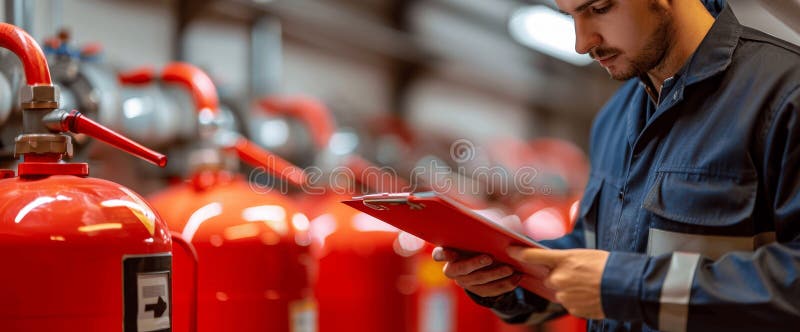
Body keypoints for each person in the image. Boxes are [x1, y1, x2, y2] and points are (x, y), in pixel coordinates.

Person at [433, 0, 800, 331]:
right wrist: (504, 277)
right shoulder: (614, 117)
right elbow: (597, 250)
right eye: (571, 16)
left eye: (600, 8)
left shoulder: (785, 96)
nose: (582, 42)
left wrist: (624, 286)